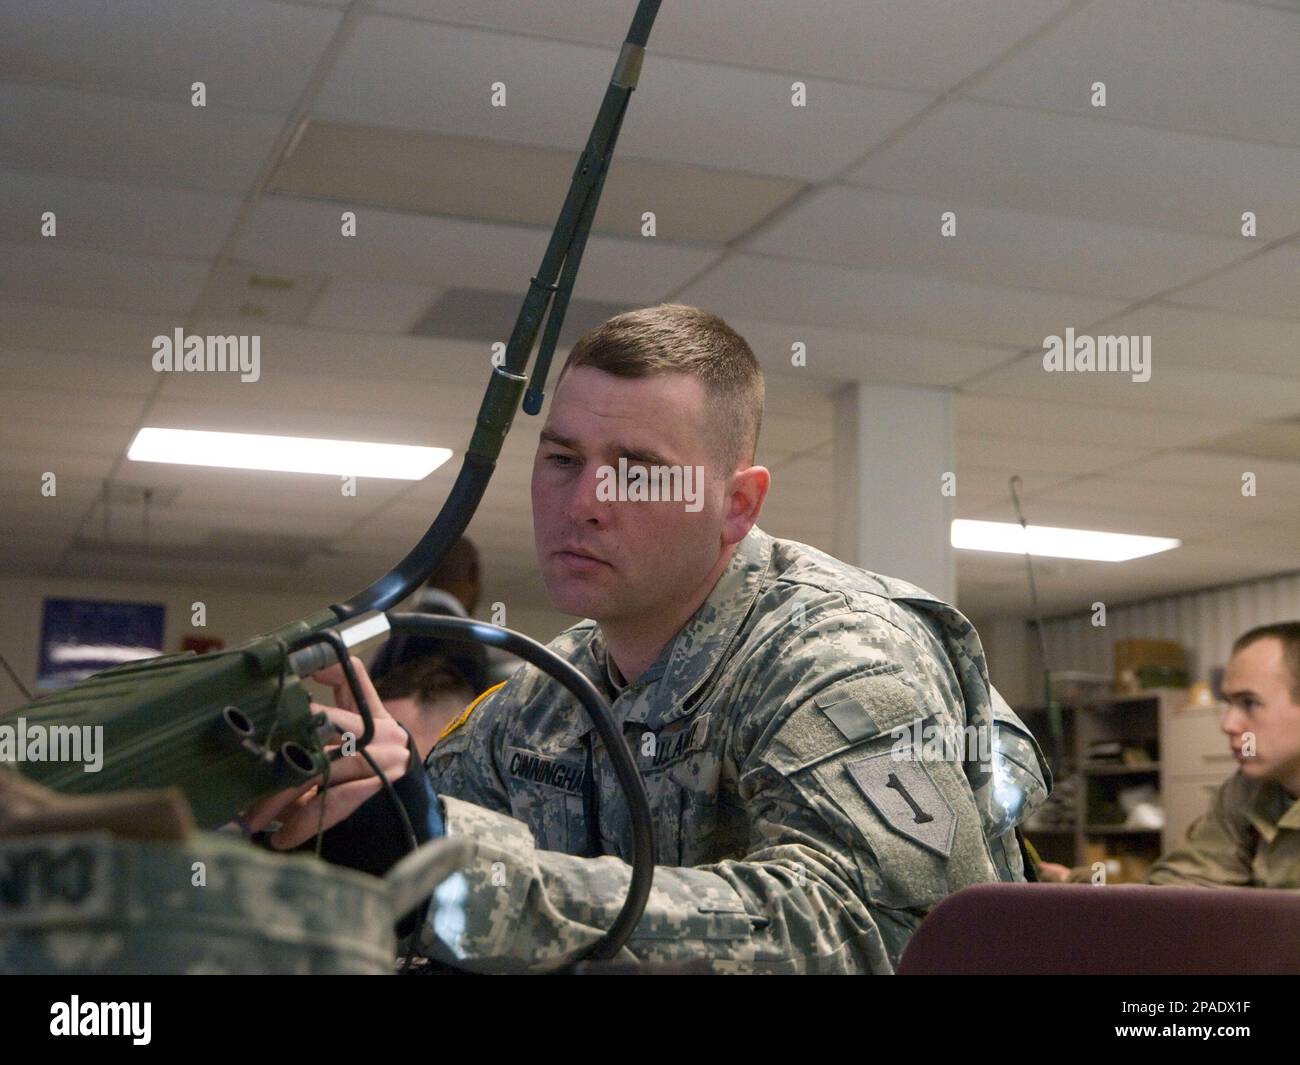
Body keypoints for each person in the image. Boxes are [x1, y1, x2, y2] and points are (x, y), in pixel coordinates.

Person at [248, 304, 1050, 974]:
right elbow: (421, 852)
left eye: (638, 469)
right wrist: (346, 806)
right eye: (563, 458)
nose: (586, 500)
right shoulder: (546, 692)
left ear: (737, 504)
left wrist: (451, 877)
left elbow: (871, 933)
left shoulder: (843, 657)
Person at [1145, 622, 1300, 888]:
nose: (1227, 724)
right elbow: (1182, 890)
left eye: (1249, 702)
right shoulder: (1248, 790)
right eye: (1229, 703)